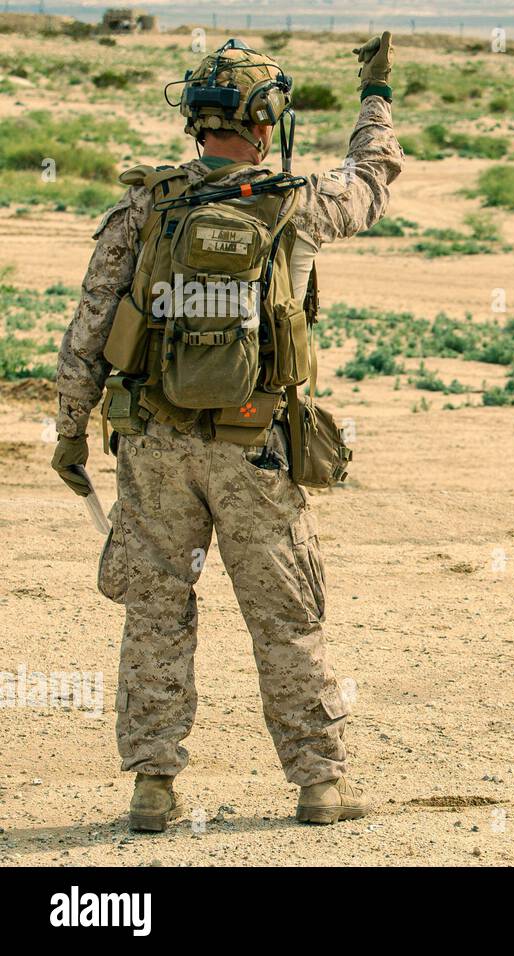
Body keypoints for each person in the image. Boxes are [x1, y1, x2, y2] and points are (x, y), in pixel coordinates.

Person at [50, 33, 403, 830]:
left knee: (156, 612)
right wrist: (375, 97)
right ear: (268, 119)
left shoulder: (145, 205)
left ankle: (152, 787)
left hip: (152, 448)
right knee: (285, 614)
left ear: (194, 118)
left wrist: (72, 434)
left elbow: (87, 333)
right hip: (255, 445)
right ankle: (319, 784)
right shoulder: (298, 203)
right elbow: (373, 179)